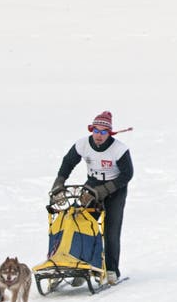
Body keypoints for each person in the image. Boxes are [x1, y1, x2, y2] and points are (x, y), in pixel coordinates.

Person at [51, 110, 134, 284]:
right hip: (92, 186)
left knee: (111, 231)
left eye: (103, 132)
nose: (99, 135)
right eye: (96, 131)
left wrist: (106, 189)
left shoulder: (119, 149)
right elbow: (68, 163)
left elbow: (127, 174)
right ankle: (84, 267)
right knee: (81, 225)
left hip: (116, 188)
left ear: (109, 133)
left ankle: (111, 270)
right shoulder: (83, 144)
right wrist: (59, 182)